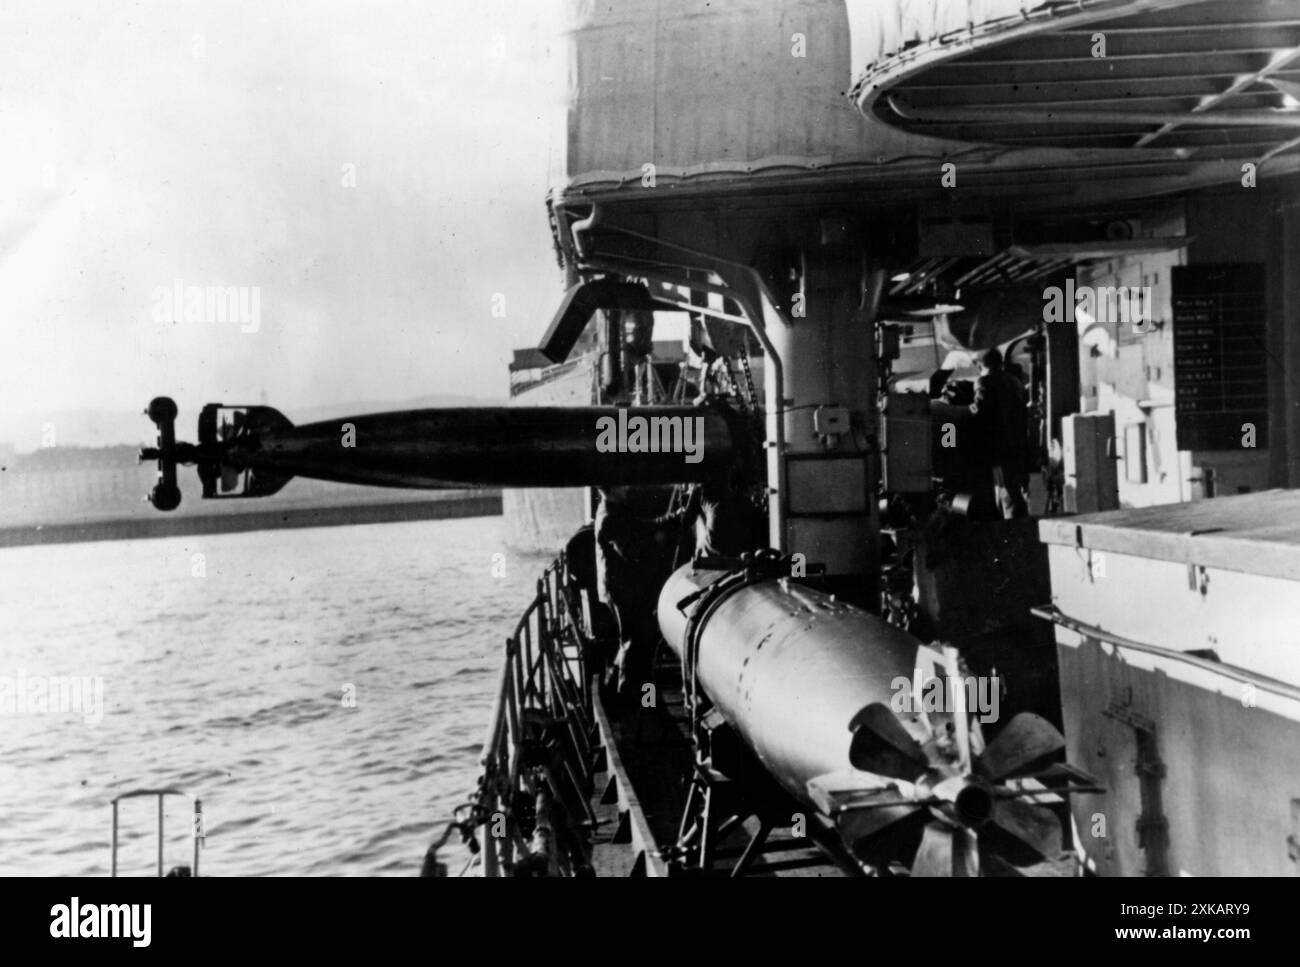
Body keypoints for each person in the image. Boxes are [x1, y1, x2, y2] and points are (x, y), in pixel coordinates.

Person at [593, 486, 665, 702]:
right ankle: (636, 699)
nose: (628, 487)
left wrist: (672, 520)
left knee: (631, 641)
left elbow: (640, 527)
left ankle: (612, 687)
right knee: (635, 644)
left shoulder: (612, 510)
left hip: (622, 588)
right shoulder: (609, 517)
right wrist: (658, 541)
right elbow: (632, 551)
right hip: (623, 591)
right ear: (613, 489)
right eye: (622, 484)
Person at [969, 347, 1029, 519]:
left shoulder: (984, 382)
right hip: (1017, 444)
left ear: (980, 364)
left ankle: (1014, 531)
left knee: (1006, 493)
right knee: (1014, 491)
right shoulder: (1014, 381)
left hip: (999, 448)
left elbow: (978, 411)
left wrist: (966, 409)